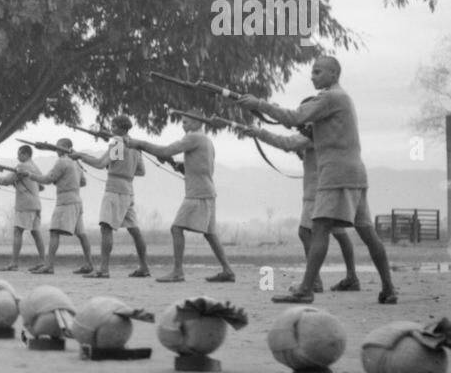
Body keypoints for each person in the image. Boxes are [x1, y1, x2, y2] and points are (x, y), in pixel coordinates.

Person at [240, 56, 396, 303]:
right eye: (312, 72)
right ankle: (388, 288)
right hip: (355, 174)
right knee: (366, 232)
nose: (312, 76)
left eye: (318, 71)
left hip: (335, 175)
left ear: (334, 74)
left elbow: (293, 118)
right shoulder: (342, 98)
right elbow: (296, 134)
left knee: (319, 228)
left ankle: (306, 289)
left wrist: (258, 103)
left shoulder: (329, 97)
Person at [236, 108, 358, 293]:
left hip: (316, 191)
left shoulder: (315, 132)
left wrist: (259, 132)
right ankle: (351, 276)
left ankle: (314, 281)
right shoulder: (325, 132)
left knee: (305, 232)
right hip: (329, 186)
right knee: (338, 232)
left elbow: (287, 143)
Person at [126, 117, 234, 283]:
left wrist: (138, 144)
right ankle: (227, 270)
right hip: (206, 191)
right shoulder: (205, 140)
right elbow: (200, 166)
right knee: (210, 234)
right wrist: (180, 165)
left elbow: (164, 151)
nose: (183, 125)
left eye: (187, 121)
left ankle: (177, 271)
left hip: (196, 193)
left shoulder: (193, 137)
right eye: (182, 122)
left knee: (176, 229)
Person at [73, 118, 152, 279]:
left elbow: (100, 164)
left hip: (114, 190)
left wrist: (81, 155)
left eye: (113, 126)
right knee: (134, 230)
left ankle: (103, 269)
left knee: (106, 228)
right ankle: (144, 267)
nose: (111, 128)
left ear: (120, 128)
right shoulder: (136, 146)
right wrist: (124, 170)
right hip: (129, 190)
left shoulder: (117, 143)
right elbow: (141, 171)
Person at [0, 144, 48, 272]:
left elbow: (4, 181)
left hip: (25, 205)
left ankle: (14, 263)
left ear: (26, 154)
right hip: (36, 204)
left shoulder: (22, 166)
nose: (17, 156)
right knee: (35, 232)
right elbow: (41, 186)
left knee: (18, 231)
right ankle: (43, 262)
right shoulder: (35, 166)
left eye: (19, 154)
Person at [32, 138, 94, 275]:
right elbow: (83, 182)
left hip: (65, 202)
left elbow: (47, 179)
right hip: (77, 201)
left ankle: (48, 266)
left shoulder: (62, 162)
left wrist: (31, 176)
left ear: (66, 147)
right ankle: (89, 264)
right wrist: (68, 181)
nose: (56, 149)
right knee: (82, 234)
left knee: (54, 232)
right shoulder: (76, 162)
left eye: (59, 146)